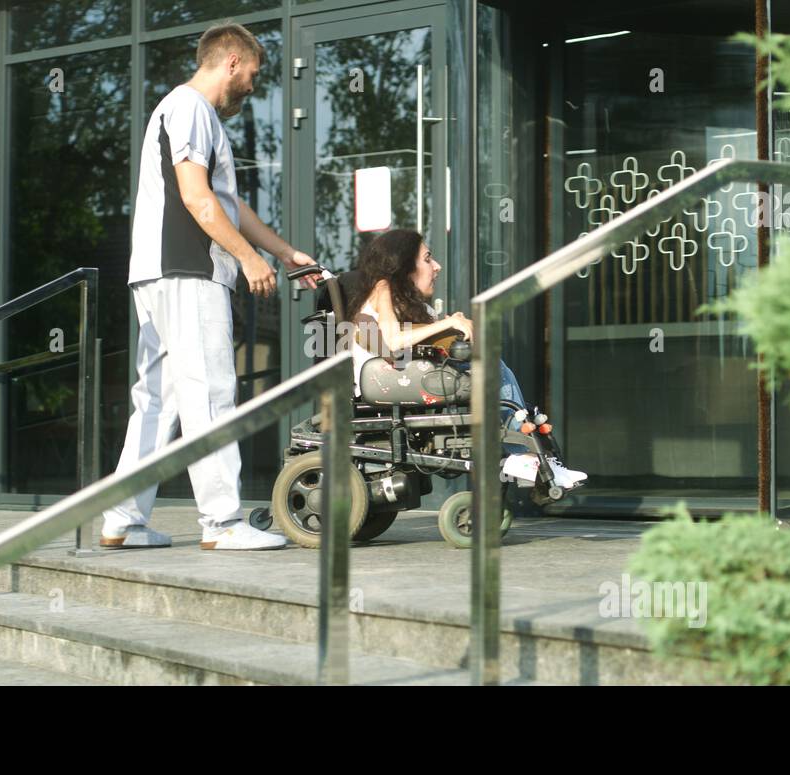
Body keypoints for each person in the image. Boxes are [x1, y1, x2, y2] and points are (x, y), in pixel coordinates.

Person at [101, 22, 317, 551]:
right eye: (255, 75)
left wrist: (285, 254)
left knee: (159, 399)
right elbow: (197, 199)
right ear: (232, 63)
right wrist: (248, 261)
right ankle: (221, 523)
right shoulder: (191, 108)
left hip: (159, 274)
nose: (254, 86)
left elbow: (228, 206)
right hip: (189, 270)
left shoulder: (195, 118)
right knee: (213, 393)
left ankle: (122, 520)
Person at [343, 229, 585, 488]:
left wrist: (455, 326)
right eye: (427, 259)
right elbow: (392, 341)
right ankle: (522, 456)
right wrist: (449, 323)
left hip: (404, 375)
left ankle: (531, 456)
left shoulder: (414, 305)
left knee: (491, 368)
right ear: (403, 266)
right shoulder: (383, 287)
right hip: (384, 380)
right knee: (492, 369)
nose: (437, 266)